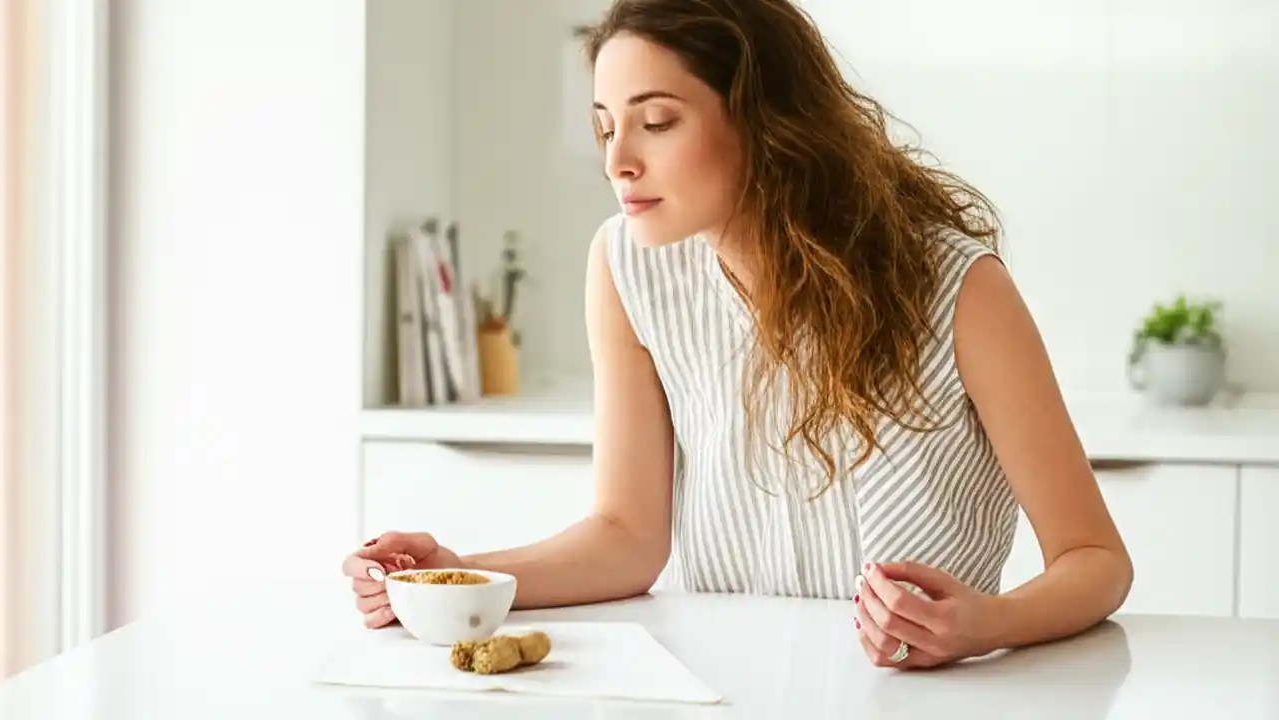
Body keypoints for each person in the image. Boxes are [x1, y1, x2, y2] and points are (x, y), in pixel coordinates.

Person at [342, 0, 1133, 670]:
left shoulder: (958, 286)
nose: (618, 159)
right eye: (605, 125)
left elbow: (1094, 561)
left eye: (656, 121)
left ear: (766, 121)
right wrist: (453, 575)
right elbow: (626, 537)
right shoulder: (627, 268)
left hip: (928, 699)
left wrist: (983, 627)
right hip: (727, 686)